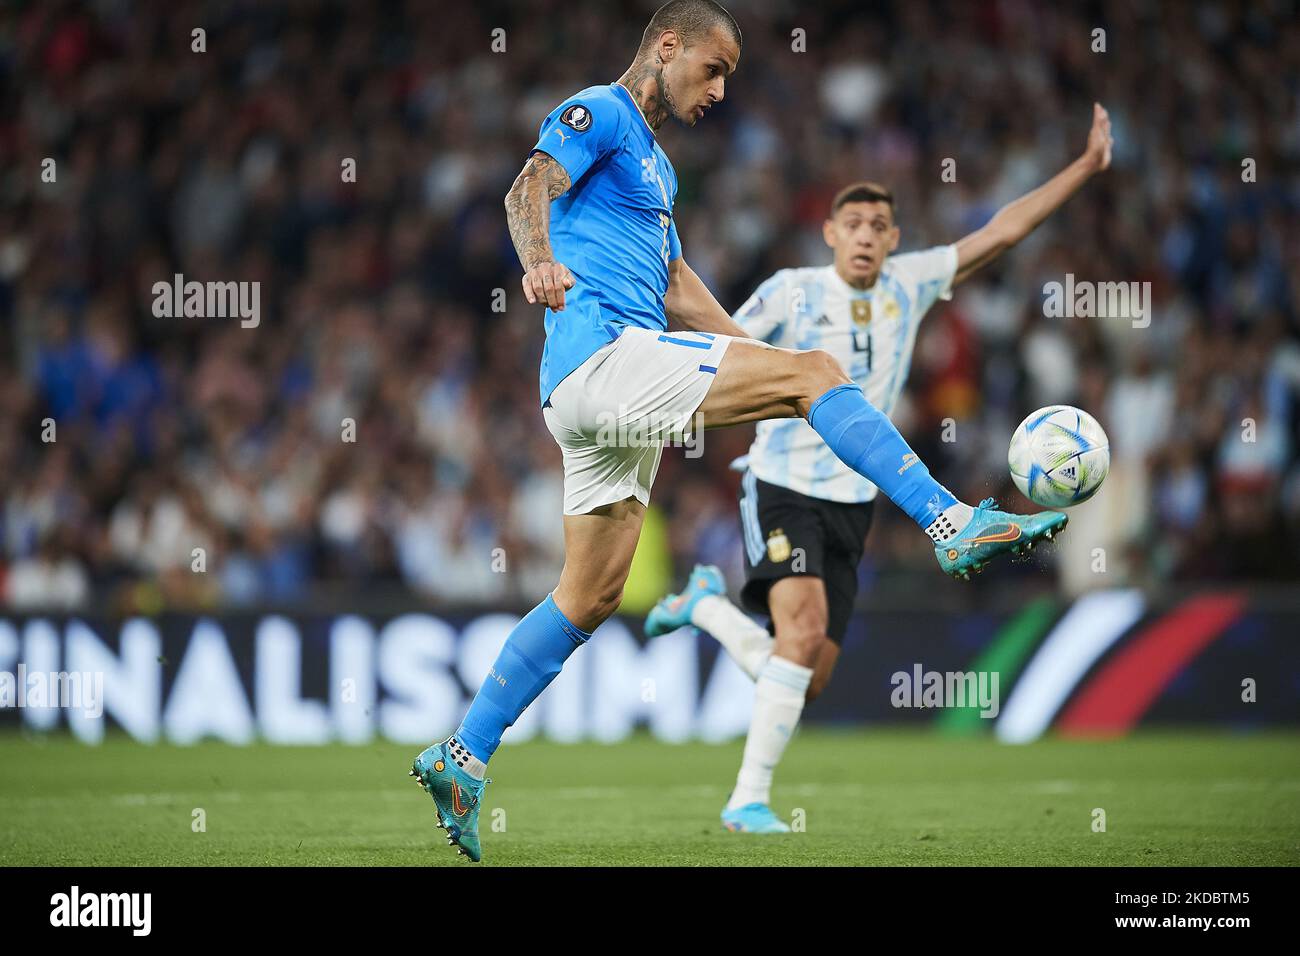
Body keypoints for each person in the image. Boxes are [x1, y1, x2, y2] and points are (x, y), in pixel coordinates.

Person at [410, 0, 1068, 861]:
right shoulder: (600, 111)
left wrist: (764, 359)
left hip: (601, 387)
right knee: (817, 375)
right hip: (605, 356)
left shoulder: (657, 171)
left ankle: (462, 755)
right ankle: (952, 523)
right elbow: (527, 184)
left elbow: (678, 282)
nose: (720, 91)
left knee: (590, 595)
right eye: (713, 69)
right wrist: (537, 257)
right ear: (668, 47)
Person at [645, 105, 1114, 833]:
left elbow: (1003, 230)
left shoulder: (913, 281)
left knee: (807, 672)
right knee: (797, 641)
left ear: (893, 238)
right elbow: (728, 352)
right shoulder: (791, 290)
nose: (865, 237)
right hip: (781, 485)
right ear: (829, 234)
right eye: (852, 226)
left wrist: (1083, 168)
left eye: (878, 228)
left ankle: (705, 604)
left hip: (855, 499)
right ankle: (747, 801)